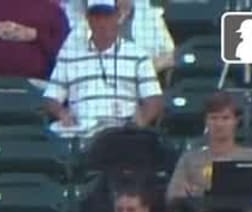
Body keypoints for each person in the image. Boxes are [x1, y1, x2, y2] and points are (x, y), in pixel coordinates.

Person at [41, 0, 162, 140]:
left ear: (118, 17)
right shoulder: (70, 54)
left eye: (107, 16)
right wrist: (62, 114)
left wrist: (140, 123)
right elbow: (51, 97)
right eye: (97, 17)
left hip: (122, 129)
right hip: (81, 129)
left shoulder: (138, 55)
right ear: (88, 19)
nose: (102, 23)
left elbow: (154, 99)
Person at [164, 93, 252, 212]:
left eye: (225, 118)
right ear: (206, 121)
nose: (219, 124)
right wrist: (185, 195)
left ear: (236, 121)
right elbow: (172, 197)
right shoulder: (189, 159)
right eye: (214, 118)